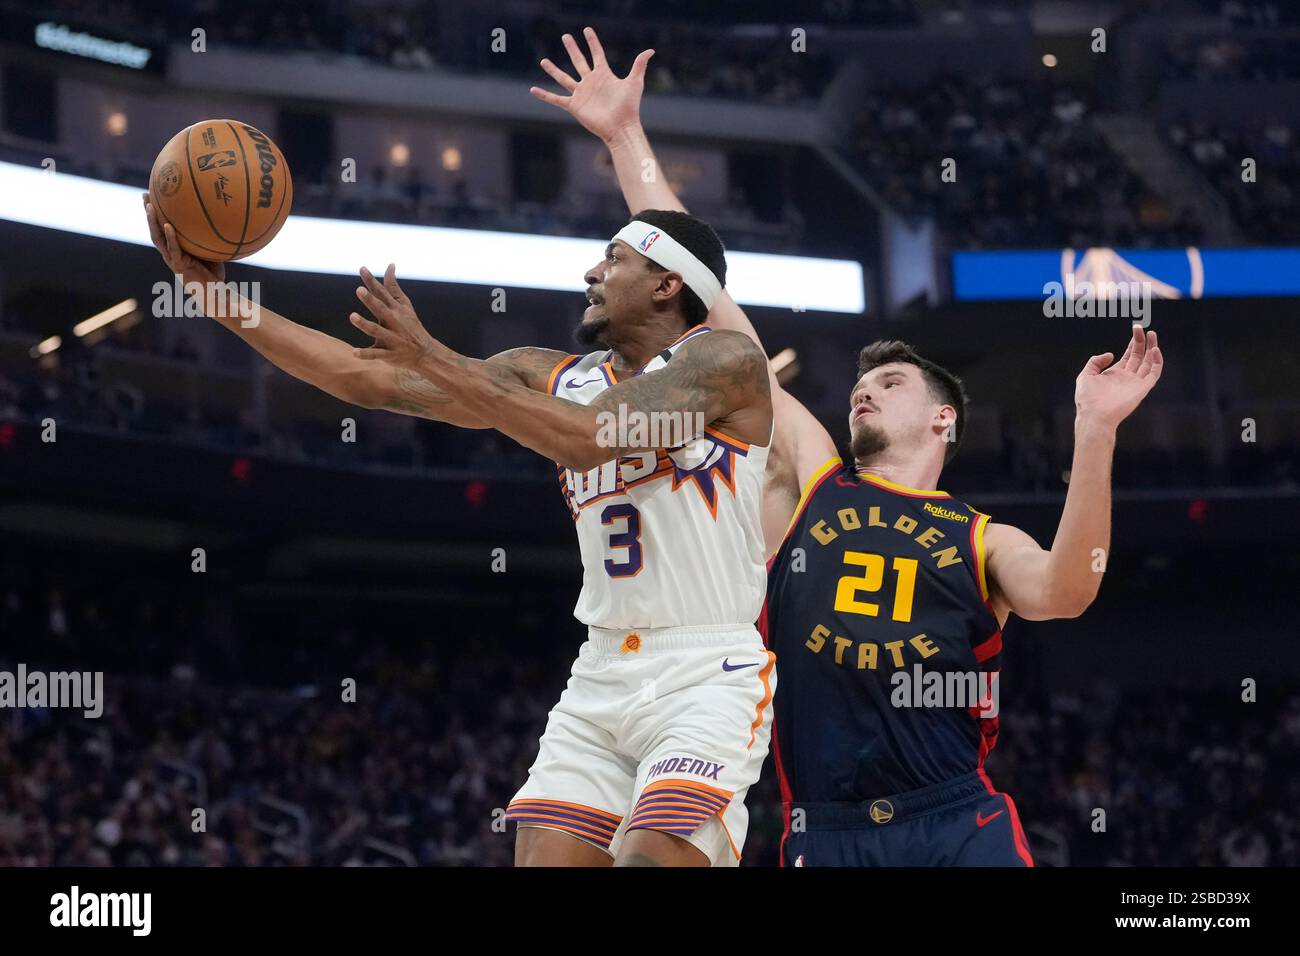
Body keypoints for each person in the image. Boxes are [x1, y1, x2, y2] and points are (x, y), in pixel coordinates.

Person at [538, 26, 1165, 866]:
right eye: (866, 382)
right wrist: (625, 138)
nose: (867, 387)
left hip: (956, 820)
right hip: (825, 831)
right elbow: (712, 301)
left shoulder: (979, 538)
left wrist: (1095, 434)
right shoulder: (814, 479)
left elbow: (1067, 590)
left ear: (945, 420)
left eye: (895, 382)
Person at [142, 166, 776, 866]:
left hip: (704, 667)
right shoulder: (550, 374)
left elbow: (590, 437)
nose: (593, 271)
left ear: (667, 284)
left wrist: (438, 356)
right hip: (601, 667)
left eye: (615, 258)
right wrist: (213, 293)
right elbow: (364, 378)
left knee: (651, 859)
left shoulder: (725, 359)